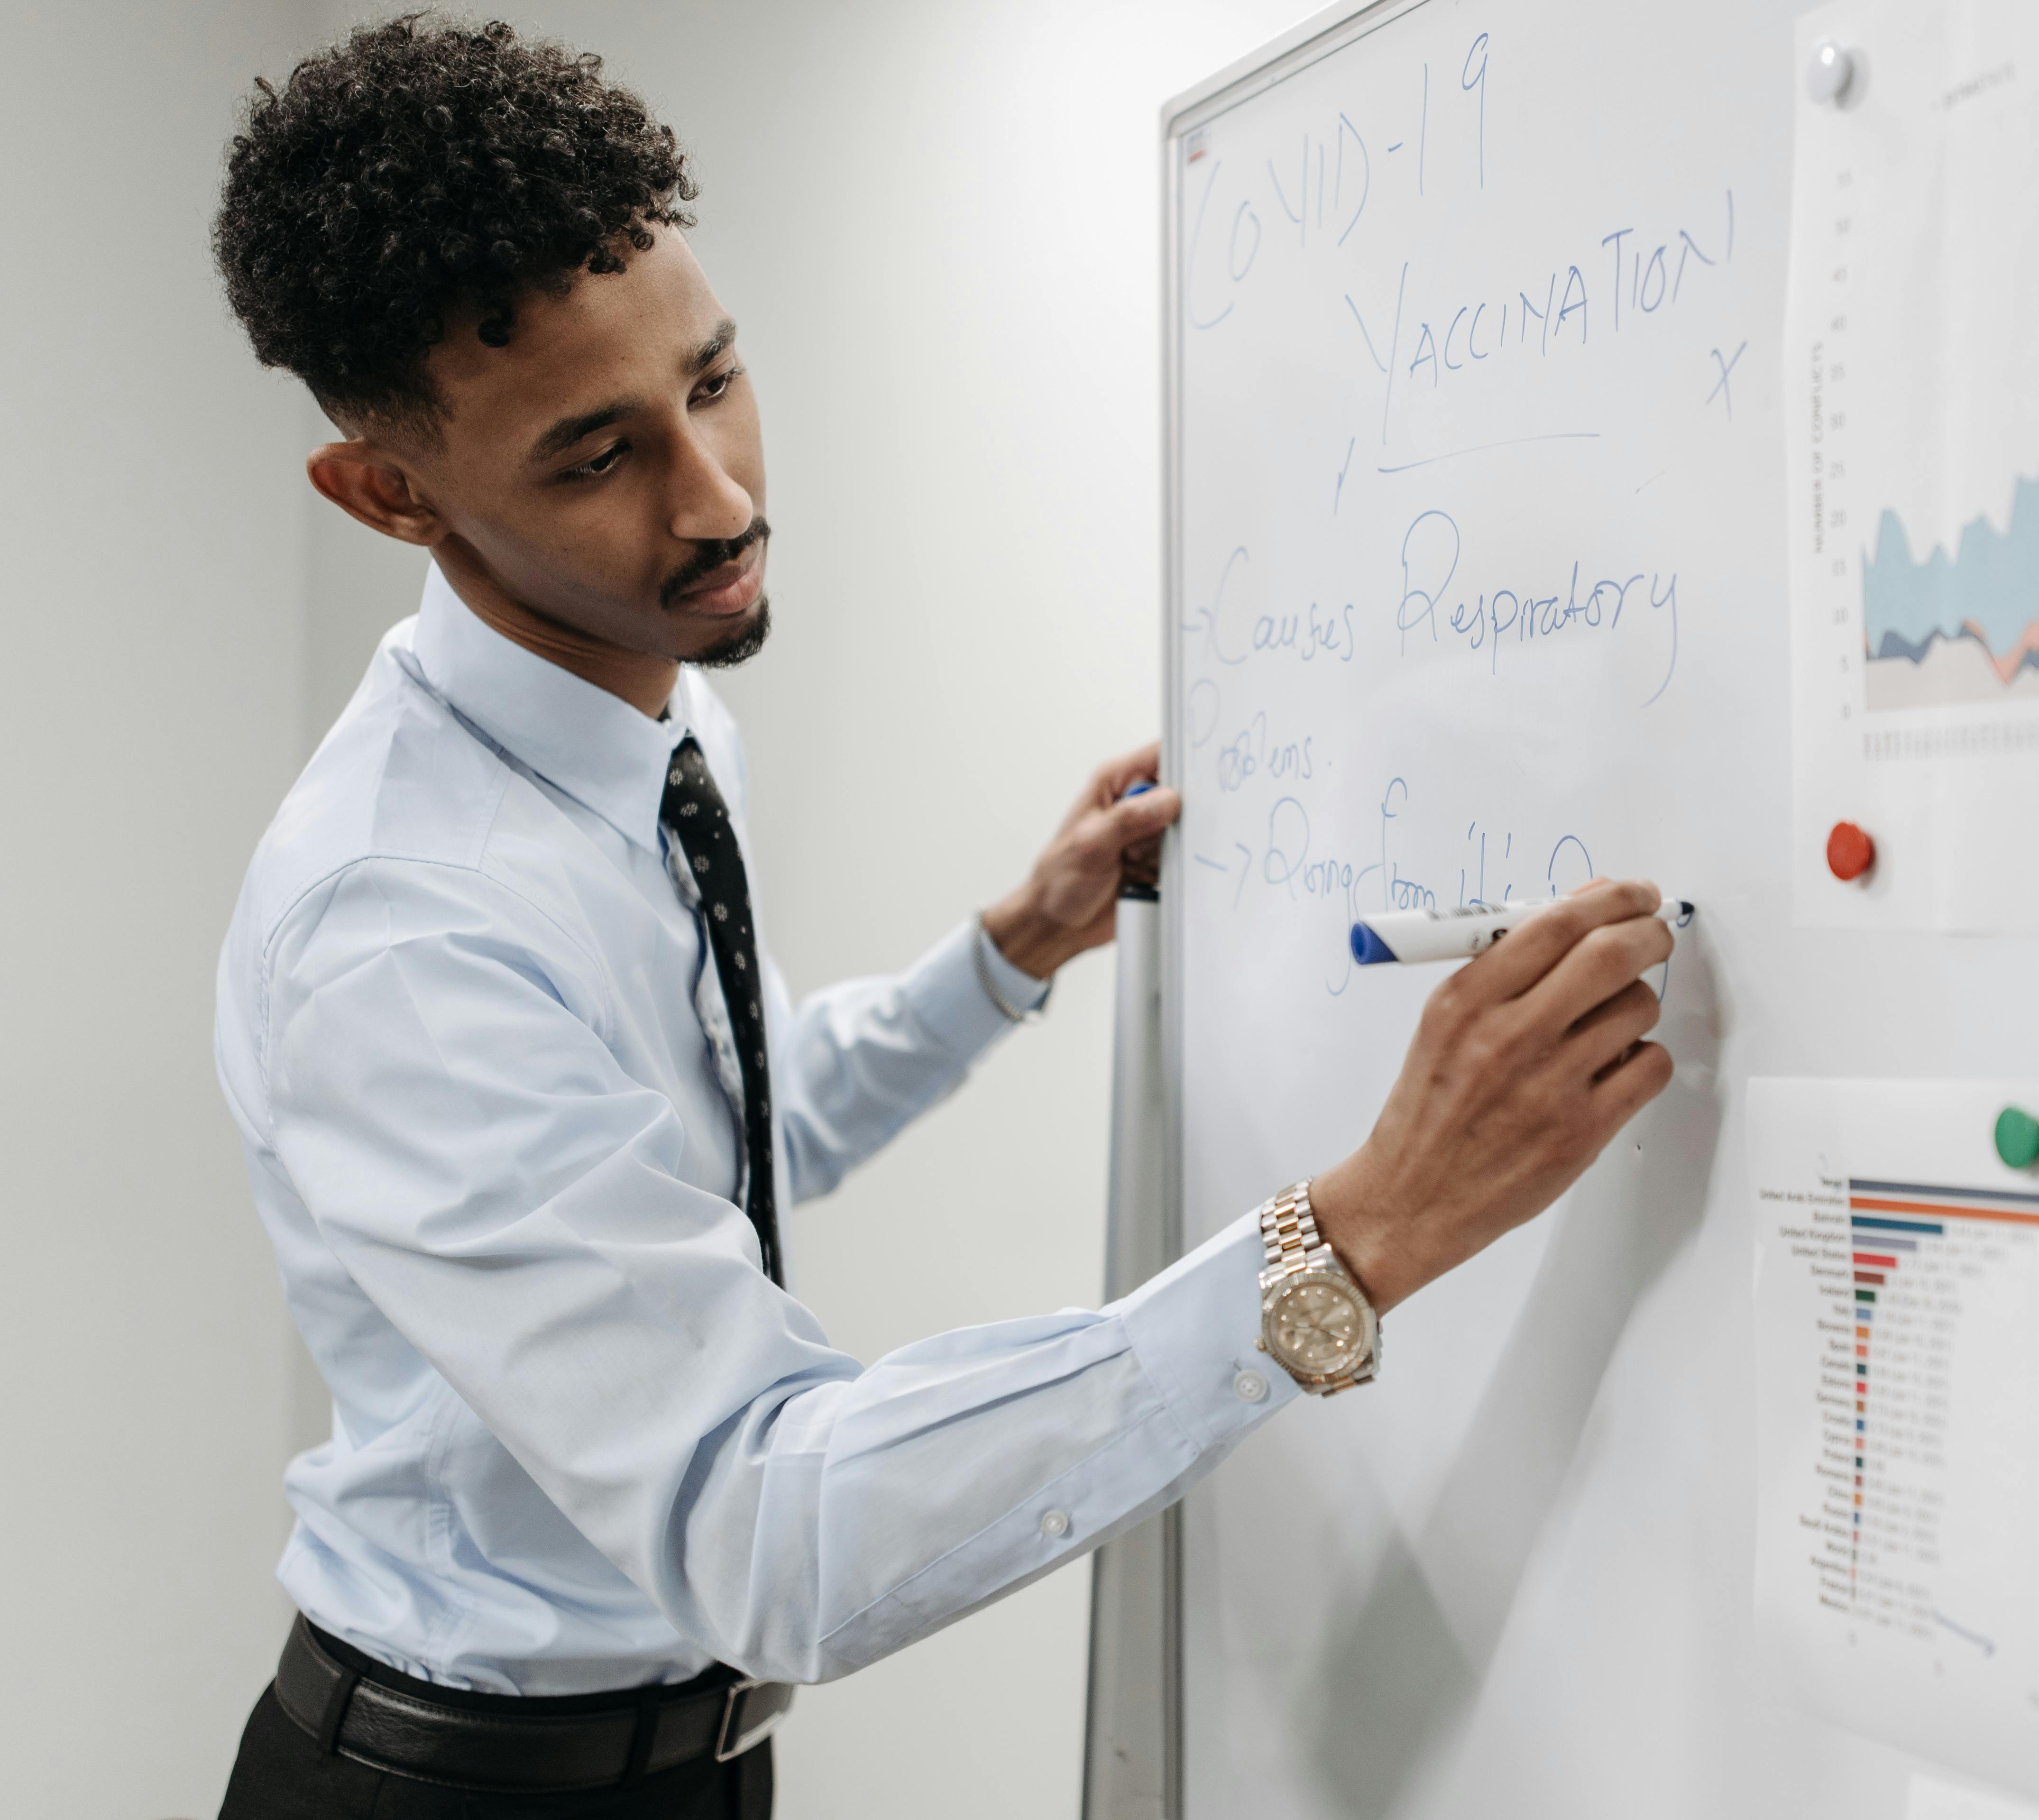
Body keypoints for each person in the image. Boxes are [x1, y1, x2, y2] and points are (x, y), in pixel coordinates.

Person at [207, 18, 1675, 1818]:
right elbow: (768, 1525)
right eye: (598, 459)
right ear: (393, 493)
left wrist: (1007, 955)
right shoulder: (402, 930)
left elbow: (711, 1147)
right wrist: (1356, 1239)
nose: (722, 496)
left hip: (676, 1771)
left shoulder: (638, 716)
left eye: (718, 377)